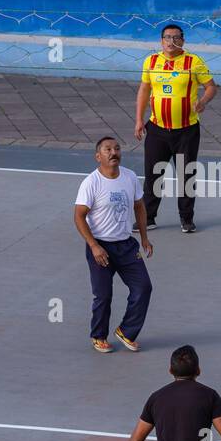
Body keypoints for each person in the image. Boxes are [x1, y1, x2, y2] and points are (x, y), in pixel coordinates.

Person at [134, 23, 219, 233]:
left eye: (176, 37)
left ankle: (186, 219)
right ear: (161, 41)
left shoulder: (193, 61)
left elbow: (211, 86)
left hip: (186, 131)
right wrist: (138, 120)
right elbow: (144, 90)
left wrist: (203, 102)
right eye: (167, 37)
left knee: (186, 176)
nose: (171, 41)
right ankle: (149, 218)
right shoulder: (151, 61)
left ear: (183, 40)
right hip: (157, 130)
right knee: (153, 176)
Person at [75, 136, 154, 353]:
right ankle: (98, 335)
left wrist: (144, 238)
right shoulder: (91, 183)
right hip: (101, 247)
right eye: (108, 149)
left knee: (143, 287)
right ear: (98, 156)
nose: (113, 152)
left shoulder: (129, 177)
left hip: (126, 246)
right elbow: (79, 216)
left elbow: (139, 207)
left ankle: (126, 331)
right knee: (103, 295)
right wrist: (93, 245)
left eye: (117, 148)